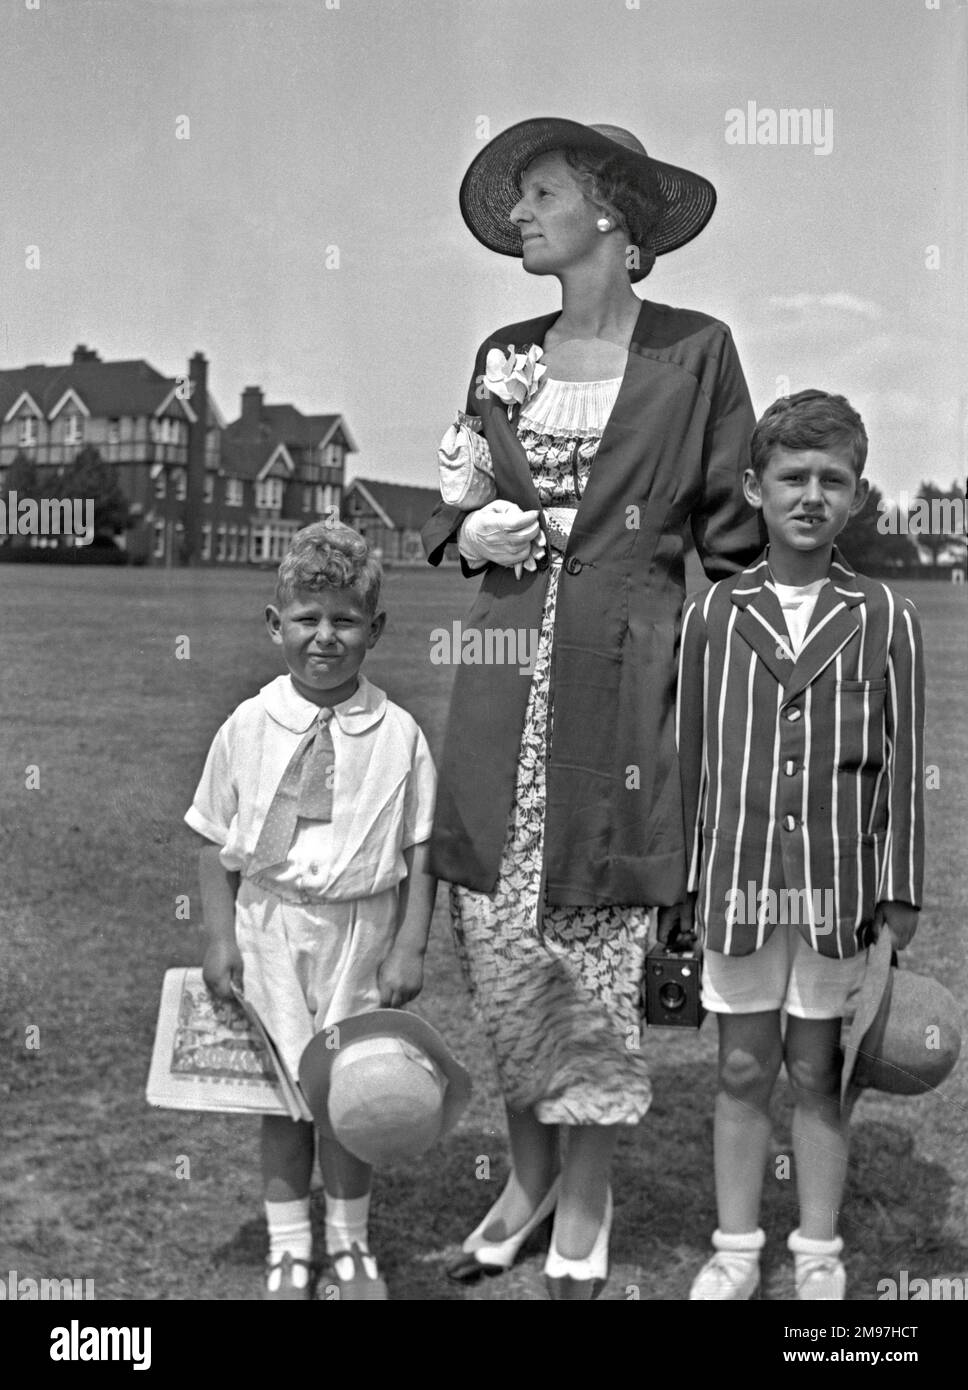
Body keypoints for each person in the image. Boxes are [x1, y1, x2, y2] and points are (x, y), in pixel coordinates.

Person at [422, 117, 763, 1299]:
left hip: (623, 695)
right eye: (516, 196)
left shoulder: (696, 352)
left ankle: (590, 1197)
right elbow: (455, 497)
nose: (521, 213)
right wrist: (469, 531)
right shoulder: (501, 349)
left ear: (610, 213)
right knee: (500, 944)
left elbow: (734, 539)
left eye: (543, 191)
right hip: (499, 681)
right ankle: (525, 1184)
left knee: (594, 951)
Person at [676, 390, 925, 1300]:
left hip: (839, 886)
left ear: (857, 496)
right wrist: (682, 879)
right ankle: (735, 1248)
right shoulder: (714, 616)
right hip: (736, 879)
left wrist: (897, 893)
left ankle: (818, 1251)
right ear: (754, 488)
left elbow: (902, 764)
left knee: (820, 1068)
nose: (812, 495)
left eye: (834, 479)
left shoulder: (886, 617)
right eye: (792, 477)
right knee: (741, 1062)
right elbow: (688, 759)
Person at [185, 519, 437, 1300]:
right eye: (307, 619)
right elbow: (210, 839)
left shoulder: (398, 734)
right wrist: (220, 938)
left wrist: (410, 946)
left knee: (353, 1099)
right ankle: (291, 1249)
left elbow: (423, 849)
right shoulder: (247, 725)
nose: (324, 638)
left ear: (375, 630)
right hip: (270, 926)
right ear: (276, 625)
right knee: (285, 1102)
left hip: (361, 932)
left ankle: (351, 1244)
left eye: (345, 621)